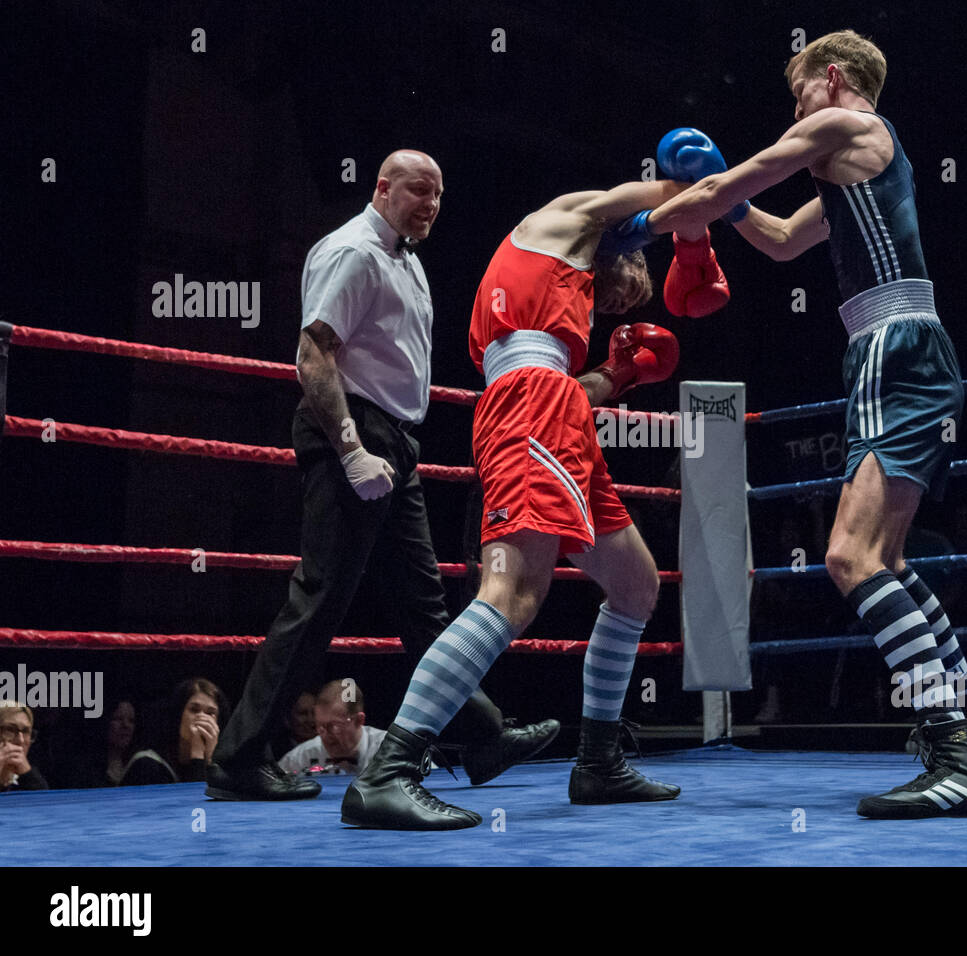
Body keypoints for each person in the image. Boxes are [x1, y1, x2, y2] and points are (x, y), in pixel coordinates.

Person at [641, 30, 967, 817]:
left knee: (848, 556)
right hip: (897, 351)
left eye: (798, 89)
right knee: (885, 556)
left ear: (832, 76)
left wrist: (629, 230)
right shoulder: (859, 168)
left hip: (895, 349)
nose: (795, 106)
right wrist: (722, 195)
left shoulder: (845, 126)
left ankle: (954, 753)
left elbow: (729, 189)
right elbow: (778, 240)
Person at [341, 176, 696, 829]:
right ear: (611, 245)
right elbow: (682, 194)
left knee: (636, 585)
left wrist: (620, 374)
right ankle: (388, 771)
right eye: (617, 281)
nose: (612, 301)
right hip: (532, 415)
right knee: (510, 597)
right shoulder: (561, 219)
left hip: (554, 413)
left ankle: (597, 765)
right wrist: (731, 191)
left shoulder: (545, 294)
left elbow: (567, 386)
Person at [206, 150, 558, 801]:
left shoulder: (409, 261)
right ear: (383, 187)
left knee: (425, 605)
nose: (429, 204)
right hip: (354, 431)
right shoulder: (354, 252)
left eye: (439, 195)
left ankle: (479, 735)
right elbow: (313, 356)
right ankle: (238, 757)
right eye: (418, 191)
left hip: (394, 442)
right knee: (319, 599)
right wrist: (349, 450)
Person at [122, 678, 227, 785]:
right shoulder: (147, 765)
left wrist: (209, 760)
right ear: (178, 715)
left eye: (210, 713)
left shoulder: (224, 768)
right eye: (194, 710)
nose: (202, 718)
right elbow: (195, 800)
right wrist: (197, 757)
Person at [279, 679, 385, 775]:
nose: (325, 735)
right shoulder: (302, 757)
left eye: (333, 726)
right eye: (320, 726)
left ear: (358, 720)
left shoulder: (390, 749)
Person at [0, 702, 48, 792]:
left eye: (26, 731)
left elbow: (44, 803)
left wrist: (27, 774)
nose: (21, 740)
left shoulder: (31, 778)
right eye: (10, 729)